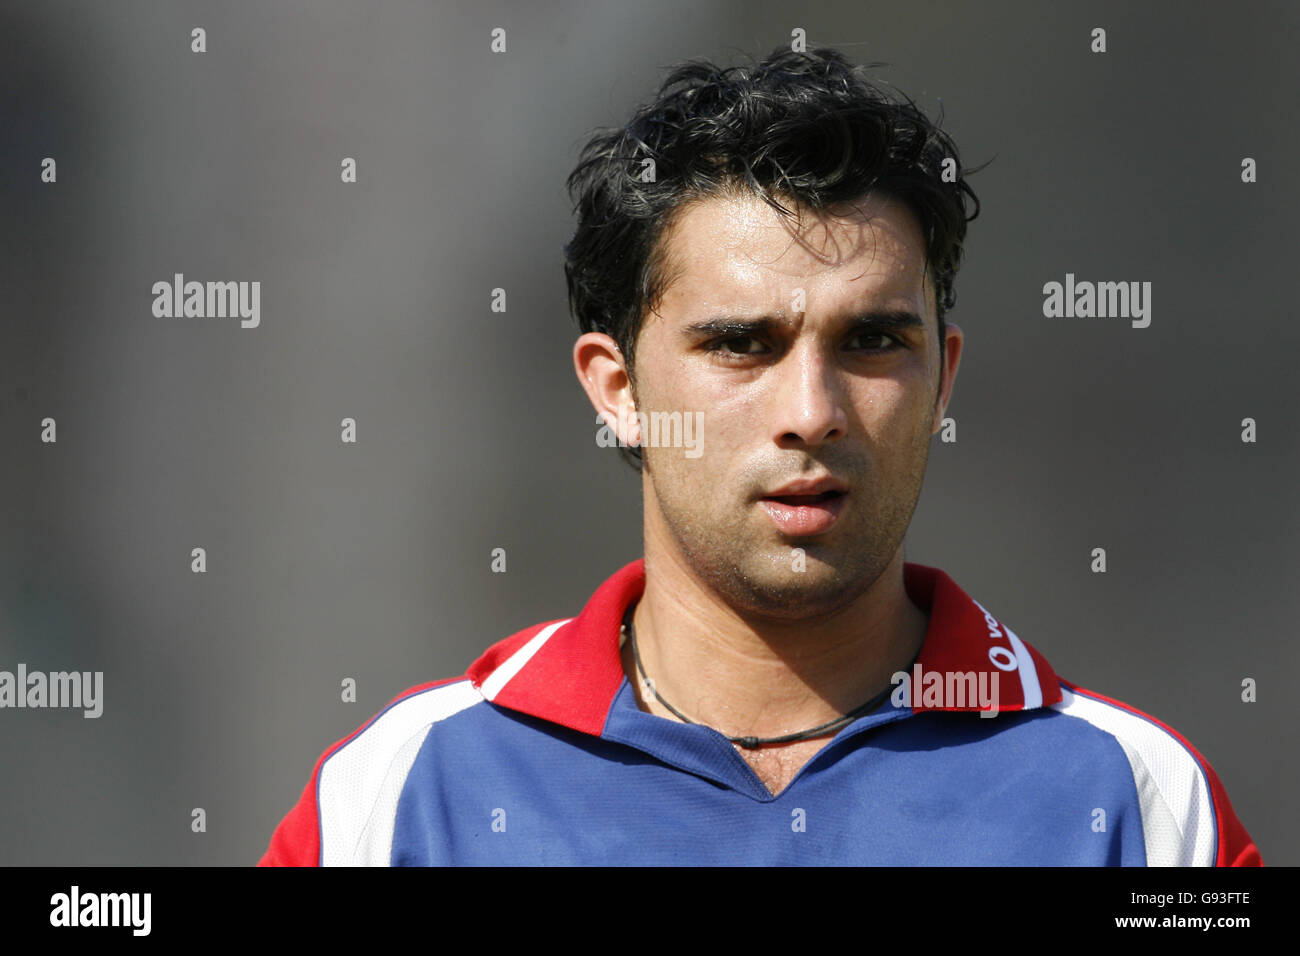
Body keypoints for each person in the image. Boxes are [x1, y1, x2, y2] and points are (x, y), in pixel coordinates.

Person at [258, 45, 1261, 866]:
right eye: (741, 342)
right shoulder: (395, 803)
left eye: (872, 340)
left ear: (942, 379)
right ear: (616, 388)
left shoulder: (1139, 807)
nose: (811, 410)